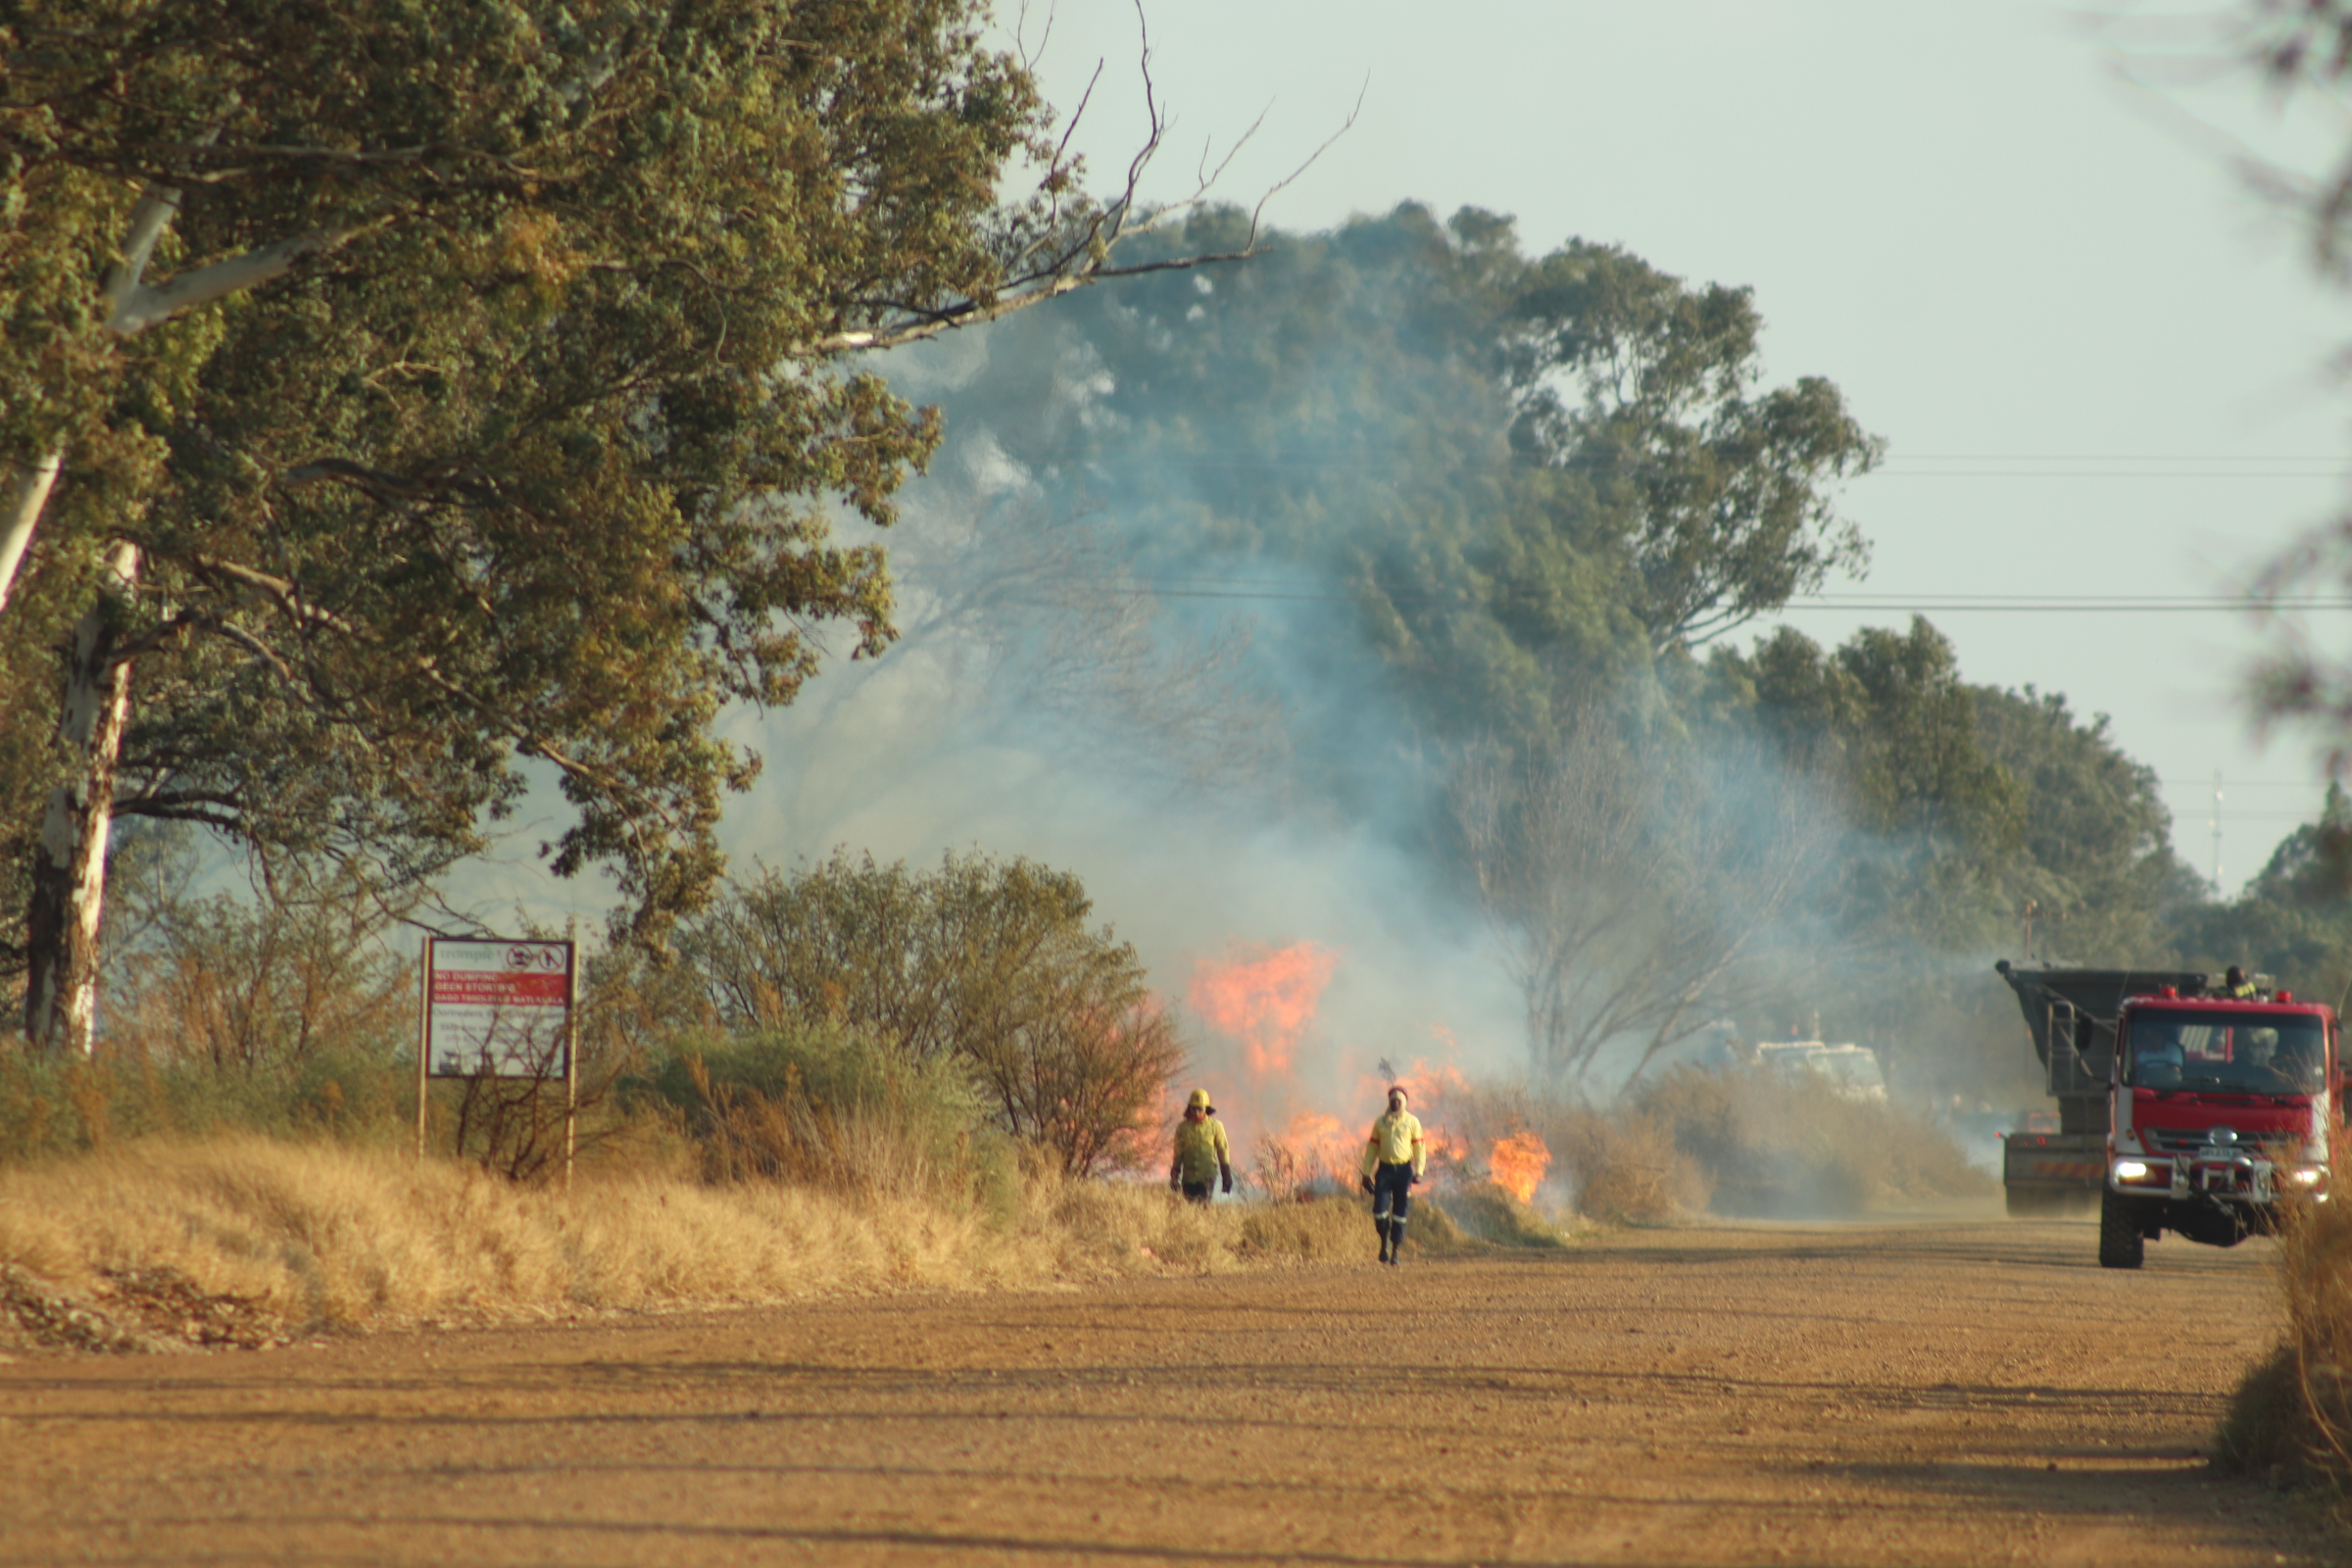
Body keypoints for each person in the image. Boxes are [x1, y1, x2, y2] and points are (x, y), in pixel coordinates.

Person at [1358, 1085, 1427, 1265]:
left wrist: (1419, 1172)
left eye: (1399, 1100)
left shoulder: (1412, 1122)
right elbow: (1372, 1148)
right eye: (1392, 1100)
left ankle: (1396, 1252)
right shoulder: (1380, 1122)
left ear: (1404, 1103)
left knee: (1400, 1213)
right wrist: (1366, 1174)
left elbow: (1419, 1149)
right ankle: (1384, 1244)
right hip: (1384, 1172)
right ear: (1389, 1102)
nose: (1395, 1103)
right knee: (1380, 1211)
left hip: (1404, 1172)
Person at [1168, 1088, 1232, 1204]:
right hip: (1188, 1179)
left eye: (1200, 1109)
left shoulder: (1216, 1126)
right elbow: (1178, 1154)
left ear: (1206, 1109)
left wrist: (1226, 1174)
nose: (1197, 1112)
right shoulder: (1183, 1128)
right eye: (1194, 1108)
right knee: (1189, 1209)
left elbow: (1223, 1149)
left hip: (1207, 1176)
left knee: (1203, 1206)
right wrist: (1174, 1177)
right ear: (1189, 1108)